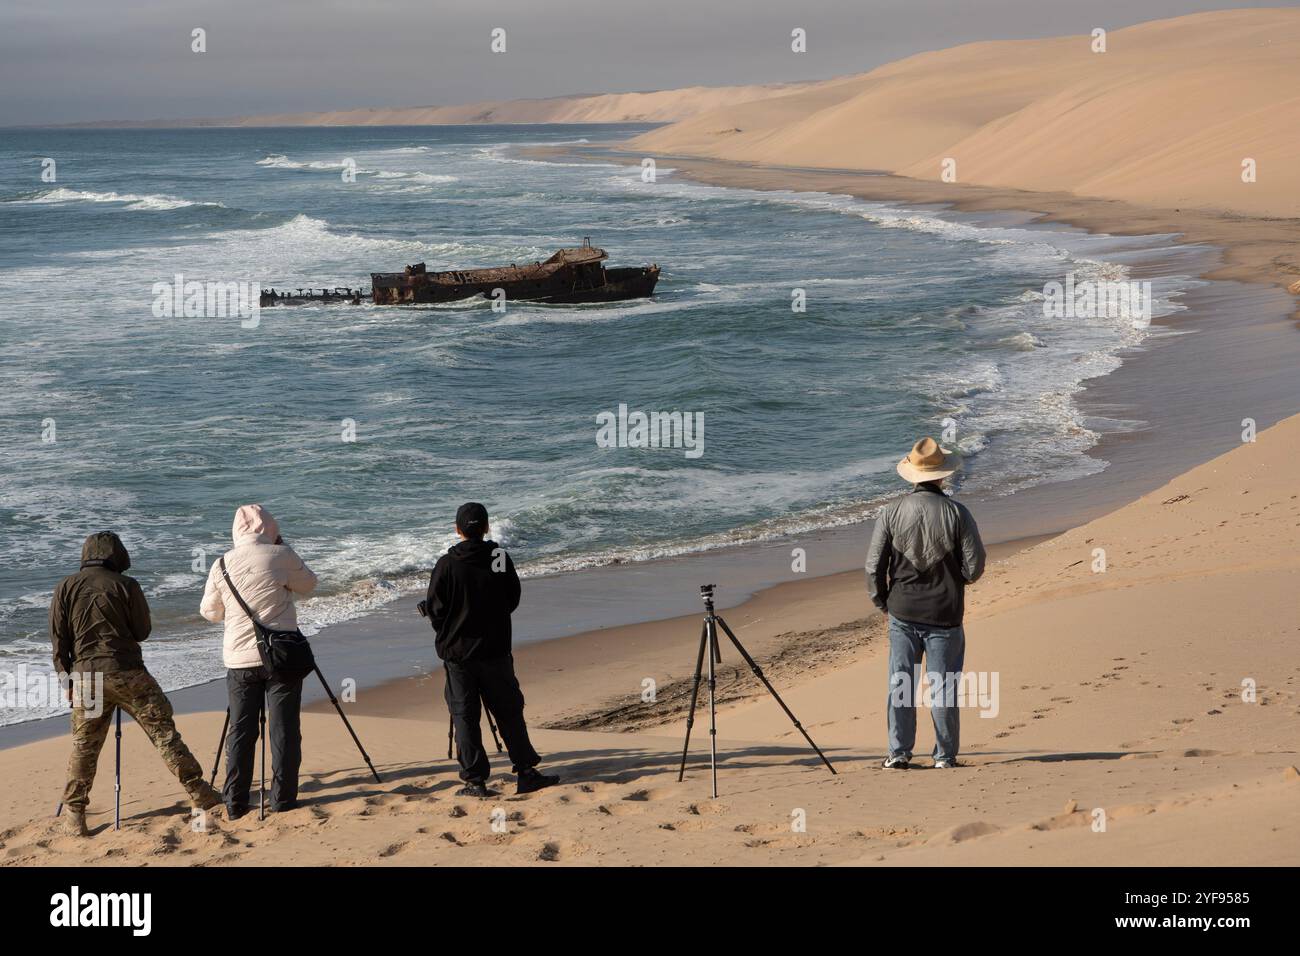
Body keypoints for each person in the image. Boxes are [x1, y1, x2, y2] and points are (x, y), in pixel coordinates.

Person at [50, 531, 221, 837]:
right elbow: (142, 631)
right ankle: (200, 792)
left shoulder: (65, 587)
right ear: (117, 555)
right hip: (128, 672)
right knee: (164, 734)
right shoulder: (127, 585)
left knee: (84, 747)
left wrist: (66, 680)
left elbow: (59, 641)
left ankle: (75, 815)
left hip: (86, 677)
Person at [866, 438, 986, 770]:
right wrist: (956, 578)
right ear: (942, 476)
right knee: (944, 687)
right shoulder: (957, 512)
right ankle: (944, 756)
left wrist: (882, 602)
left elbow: (873, 566)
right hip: (945, 614)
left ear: (912, 475)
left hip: (903, 611)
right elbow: (975, 568)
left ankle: (899, 753)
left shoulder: (890, 513)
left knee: (900, 684)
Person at [426, 502, 558, 798]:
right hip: (495, 648)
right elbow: (511, 598)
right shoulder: (498, 557)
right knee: (509, 711)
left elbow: (436, 609)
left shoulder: (448, 564)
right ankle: (525, 772)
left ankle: (475, 782)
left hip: (459, 653)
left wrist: (450, 631)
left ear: (457, 530)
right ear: (486, 528)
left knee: (465, 715)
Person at [200, 504, 318, 818]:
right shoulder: (283, 556)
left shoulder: (221, 564)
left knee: (240, 730)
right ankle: (283, 800)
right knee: (284, 728)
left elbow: (209, 612)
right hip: (282, 656)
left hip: (239, 659)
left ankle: (235, 803)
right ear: (271, 528)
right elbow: (309, 584)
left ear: (236, 531)